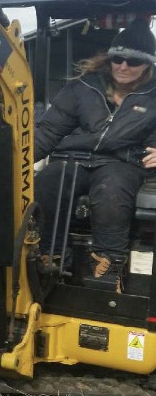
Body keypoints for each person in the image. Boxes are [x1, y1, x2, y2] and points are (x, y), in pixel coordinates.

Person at [34, 18, 156, 292]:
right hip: (74, 159)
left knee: (111, 191)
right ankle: (51, 258)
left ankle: (107, 267)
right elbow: (49, 130)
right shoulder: (83, 88)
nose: (124, 66)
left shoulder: (154, 95)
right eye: (118, 58)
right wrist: (19, 158)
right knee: (49, 181)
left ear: (148, 64)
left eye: (133, 61)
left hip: (122, 162)